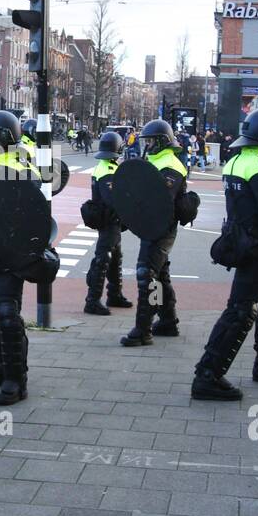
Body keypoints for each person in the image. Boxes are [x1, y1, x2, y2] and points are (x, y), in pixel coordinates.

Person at [193, 109, 258, 400]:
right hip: (256, 248)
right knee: (240, 311)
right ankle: (208, 374)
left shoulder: (237, 161)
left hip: (238, 240)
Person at [0, 110, 57, 406]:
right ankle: (0, 366)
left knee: (7, 311)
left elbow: (32, 217)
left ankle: (15, 380)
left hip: (12, 253)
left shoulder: (23, 170)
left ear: (7, 139)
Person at [121, 119, 188, 347]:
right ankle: (168, 320)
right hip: (151, 225)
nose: (147, 146)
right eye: (145, 142)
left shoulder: (171, 165)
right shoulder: (152, 160)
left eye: (151, 142)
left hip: (161, 227)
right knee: (159, 275)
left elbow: (161, 201)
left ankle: (143, 330)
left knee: (146, 274)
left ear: (162, 142)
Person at [83, 131, 132, 315]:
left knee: (115, 258)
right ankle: (92, 300)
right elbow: (113, 199)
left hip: (108, 220)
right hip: (110, 220)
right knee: (103, 259)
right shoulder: (108, 170)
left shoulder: (103, 165)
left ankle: (114, 294)